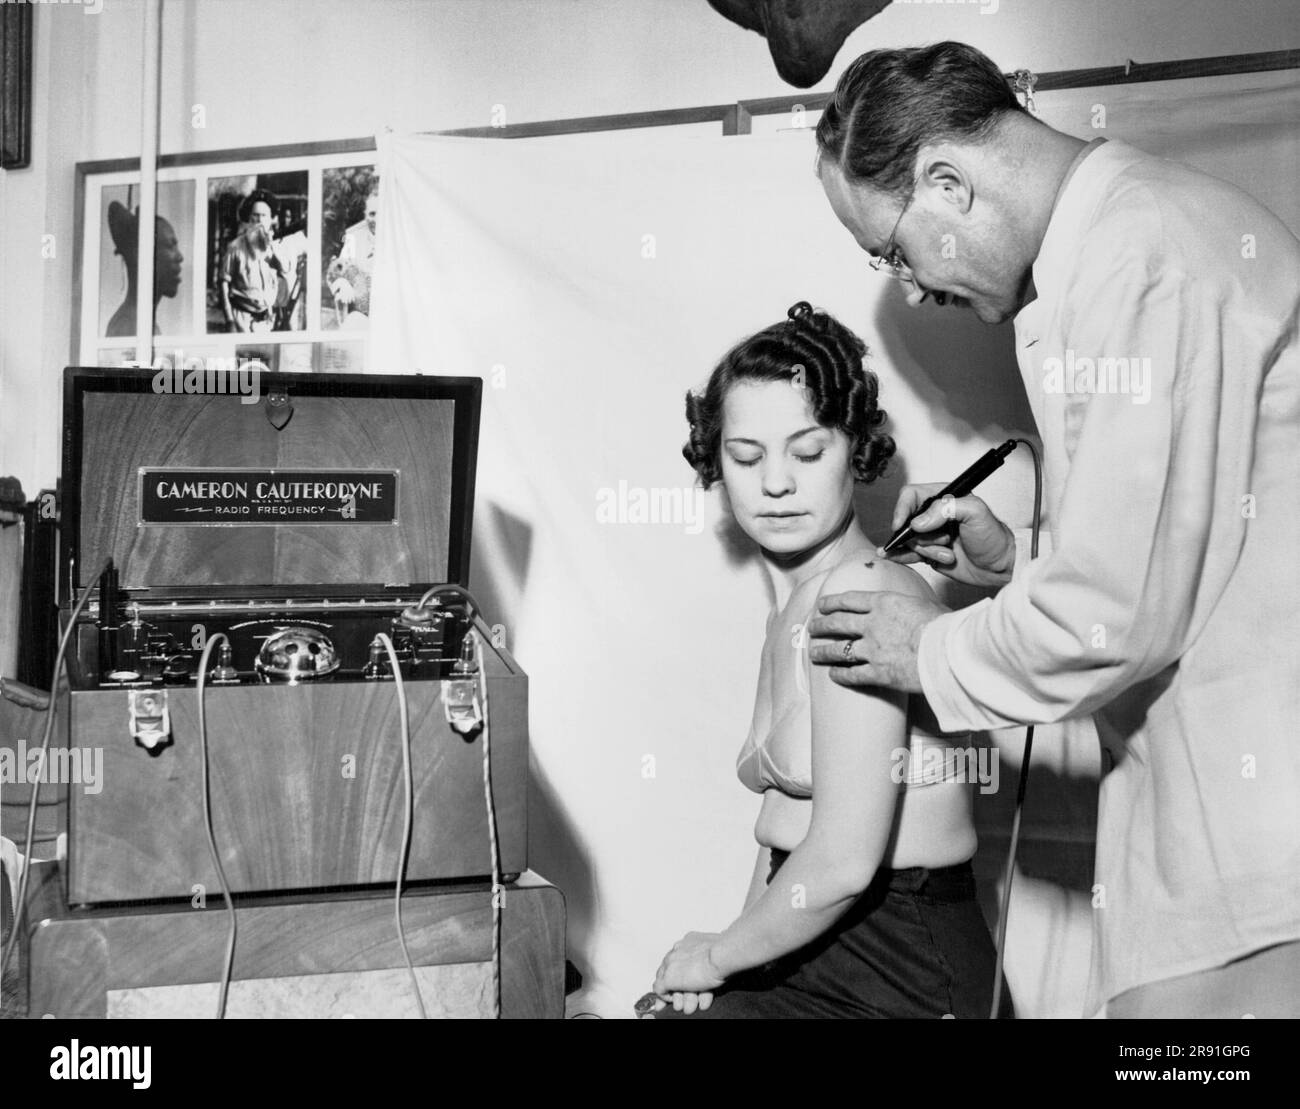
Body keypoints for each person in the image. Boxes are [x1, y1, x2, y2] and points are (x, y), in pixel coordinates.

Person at [806, 42, 1300, 1018]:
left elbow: (1117, 611)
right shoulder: (1115, 252)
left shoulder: (1144, 256)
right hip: (1218, 833)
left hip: (1257, 839)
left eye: (891, 249)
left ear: (947, 182)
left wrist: (928, 647)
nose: (907, 286)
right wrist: (1016, 564)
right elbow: (1182, 558)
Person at [649, 301, 1013, 1019]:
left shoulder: (861, 590)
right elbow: (783, 833)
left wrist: (716, 954)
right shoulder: (789, 607)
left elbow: (845, 861)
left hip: (899, 963)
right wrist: (722, 966)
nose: (775, 482)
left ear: (857, 449)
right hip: (808, 938)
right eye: (746, 456)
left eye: (808, 451)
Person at [104, 202, 183, 338]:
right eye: (170, 246)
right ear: (144, 255)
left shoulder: (140, 322)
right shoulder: (129, 326)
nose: (180, 257)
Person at [219, 190, 281, 333]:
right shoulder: (235, 247)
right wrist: (229, 320)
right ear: (249, 218)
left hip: (265, 320)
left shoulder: (272, 247)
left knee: (263, 354)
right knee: (247, 356)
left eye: (264, 216)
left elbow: (282, 274)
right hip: (241, 319)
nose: (259, 220)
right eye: (255, 215)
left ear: (271, 220)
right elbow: (223, 284)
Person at [327, 187, 378, 328]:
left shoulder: (398, 238)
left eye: (381, 213)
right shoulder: (354, 237)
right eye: (372, 214)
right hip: (363, 314)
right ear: (365, 214)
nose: (376, 219)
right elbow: (338, 269)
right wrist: (343, 282)